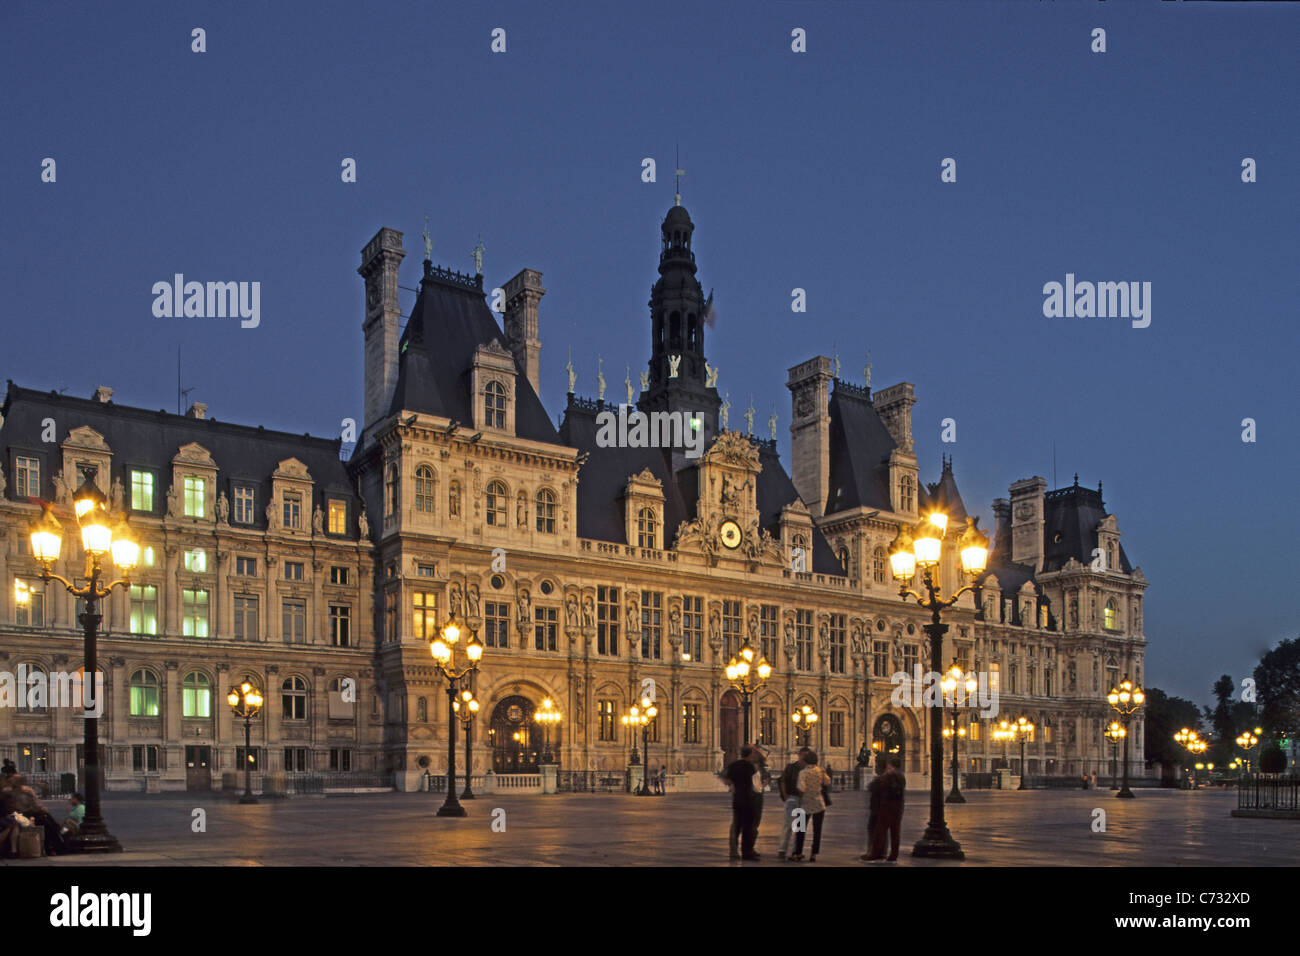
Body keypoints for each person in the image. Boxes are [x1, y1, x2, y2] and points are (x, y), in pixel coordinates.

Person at [791, 750, 831, 862]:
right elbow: (827, 782)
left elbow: (801, 788)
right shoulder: (820, 770)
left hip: (805, 803)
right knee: (817, 830)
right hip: (819, 803)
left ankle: (798, 852)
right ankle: (813, 854)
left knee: (801, 829)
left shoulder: (803, 773)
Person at [724, 746, 761, 860]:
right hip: (749, 799)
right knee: (748, 827)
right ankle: (747, 852)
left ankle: (733, 852)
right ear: (750, 755)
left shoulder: (734, 765)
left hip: (737, 799)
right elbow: (756, 786)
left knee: (736, 826)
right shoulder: (751, 767)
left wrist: (734, 786)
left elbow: (726, 779)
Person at [868, 757, 906, 862]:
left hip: (888, 806)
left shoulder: (890, 775)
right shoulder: (902, 776)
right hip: (898, 807)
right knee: (895, 832)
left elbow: (879, 787)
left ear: (891, 765)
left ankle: (875, 853)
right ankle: (894, 855)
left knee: (880, 830)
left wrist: (883, 777)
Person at [777, 747, 809, 861]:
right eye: (803, 756)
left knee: (800, 826)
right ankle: (782, 849)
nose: (805, 758)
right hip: (792, 798)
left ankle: (796, 850)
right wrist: (785, 795)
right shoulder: (791, 767)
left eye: (807, 756)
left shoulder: (808, 769)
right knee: (788, 824)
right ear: (799, 755)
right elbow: (782, 780)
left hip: (803, 800)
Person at [860, 762, 885, 861]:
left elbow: (871, 787)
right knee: (881, 831)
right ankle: (881, 852)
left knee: (873, 830)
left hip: (877, 809)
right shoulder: (886, 778)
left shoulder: (880, 780)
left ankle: (873, 852)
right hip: (882, 808)